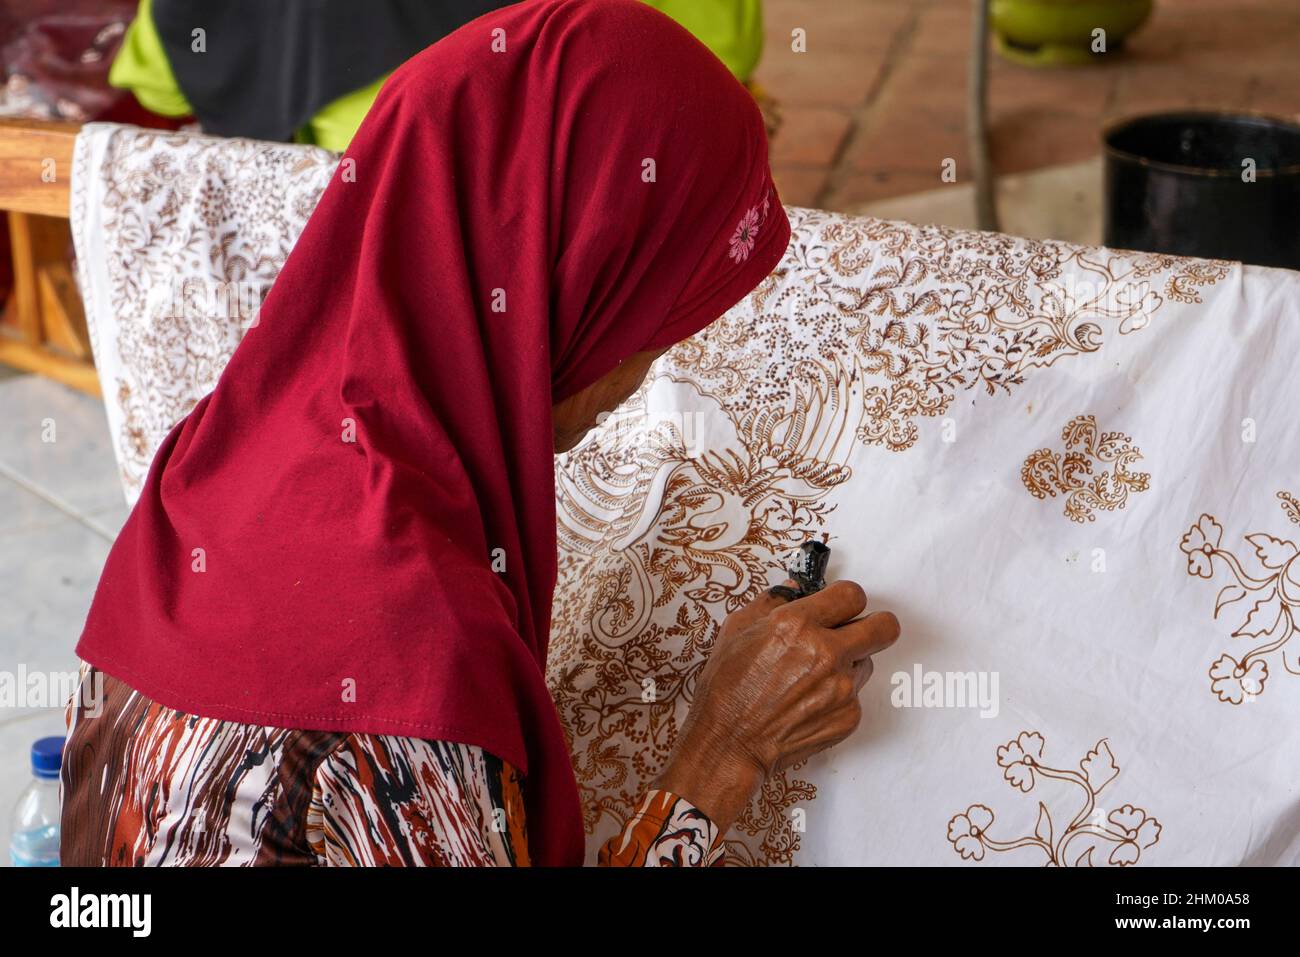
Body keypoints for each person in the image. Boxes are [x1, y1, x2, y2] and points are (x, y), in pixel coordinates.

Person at [61, 0, 899, 867]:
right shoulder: (411, 677)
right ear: (565, 282)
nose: (639, 382)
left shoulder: (208, 459)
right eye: (648, 330)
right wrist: (725, 751)